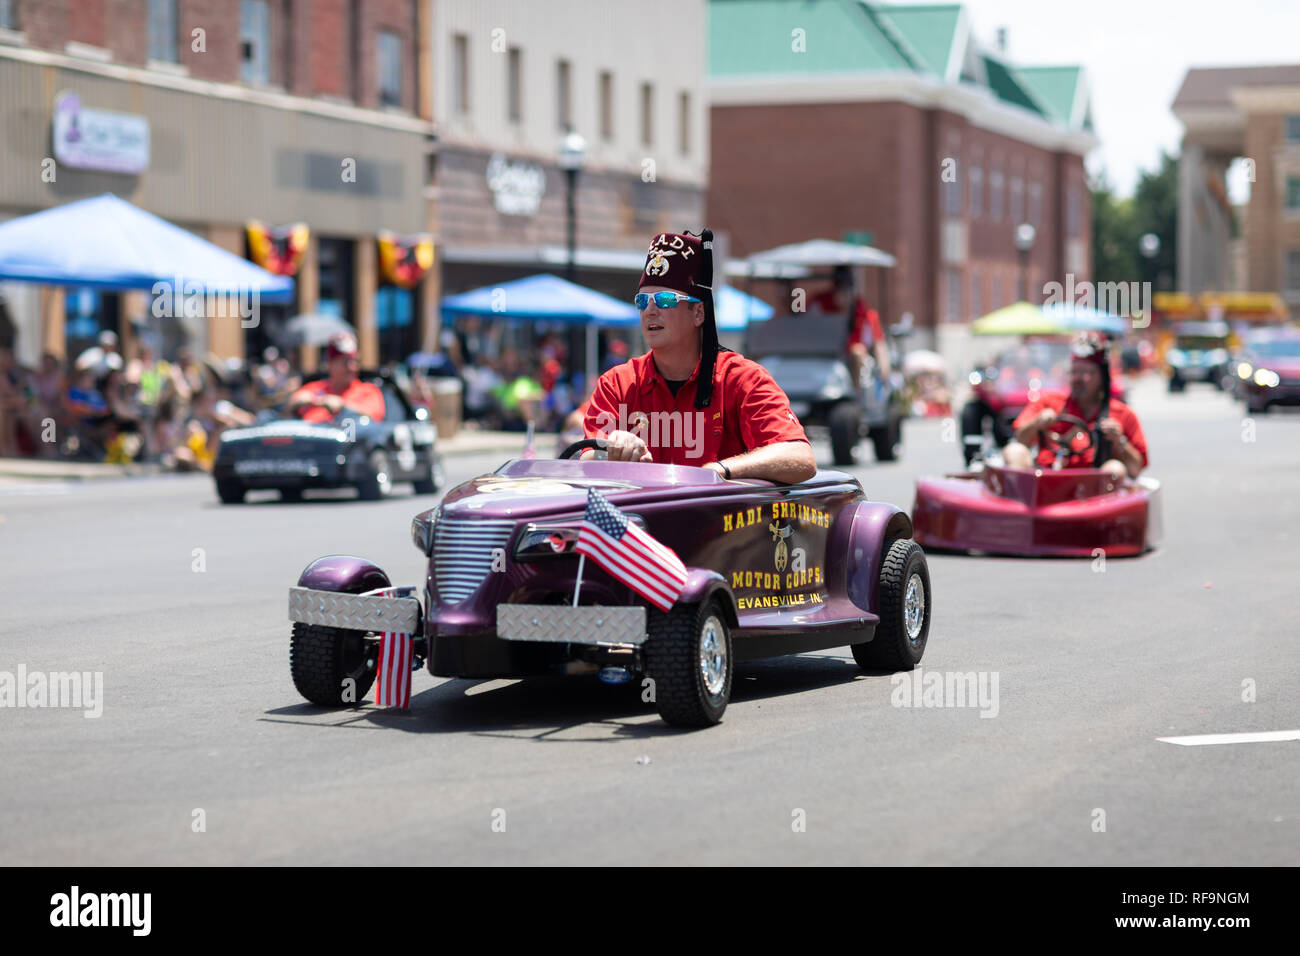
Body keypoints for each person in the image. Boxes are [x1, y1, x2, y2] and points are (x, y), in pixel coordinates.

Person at [584, 229, 816, 483]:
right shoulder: (617, 383)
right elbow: (585, 461)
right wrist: (610, 450)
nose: (650, 310)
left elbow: (800, 457)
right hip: (640, 521)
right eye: (643, 300)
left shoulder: (743, 379)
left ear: (698, 313)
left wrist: (719, 471)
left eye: (665, 299)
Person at [1003, 332, 1147, 479]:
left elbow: (1136, 469)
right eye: (1075, 371)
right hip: (1045, 483)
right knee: (1014, 451)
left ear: (1102, 377)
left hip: (1094, 490)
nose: (1078, 378)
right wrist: (1037, 423)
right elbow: (1020, 439)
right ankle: (1019, 501)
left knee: (1115, 469)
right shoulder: (1049, 402)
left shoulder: (1121, 413)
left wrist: (1119, 440)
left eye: (1087, 372)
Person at [288, 334, 385, 423]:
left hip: (351, 440)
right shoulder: (315, 388)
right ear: (330, 364)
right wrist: (300, 401)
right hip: (313, 440)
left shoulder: (368, 391)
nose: (352, 367)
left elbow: (375, 417)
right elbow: (289, 412)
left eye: (355, 362)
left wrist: (342, 405)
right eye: (345, 363)